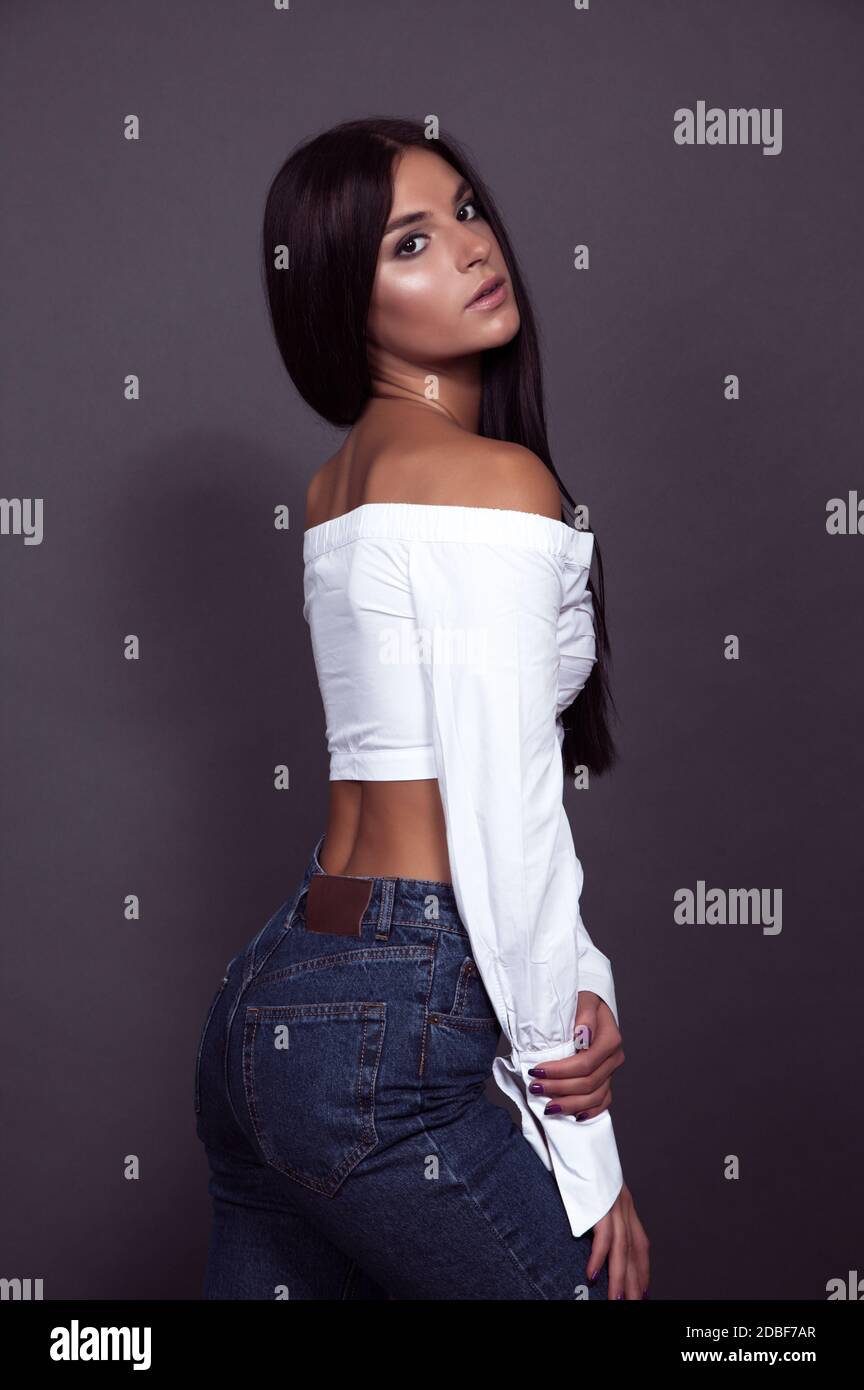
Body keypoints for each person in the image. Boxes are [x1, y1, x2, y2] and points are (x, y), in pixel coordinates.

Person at [194, 117, 650, 1300]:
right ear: (345, 298)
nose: (467, 246)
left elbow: (442, 770)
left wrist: (578, 981)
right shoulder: (493, 484)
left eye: (461, 210)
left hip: (275, 994)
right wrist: (588, 1156)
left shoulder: (335, 486)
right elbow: (501, 813)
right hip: (390, 1007)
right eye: (410, 240)